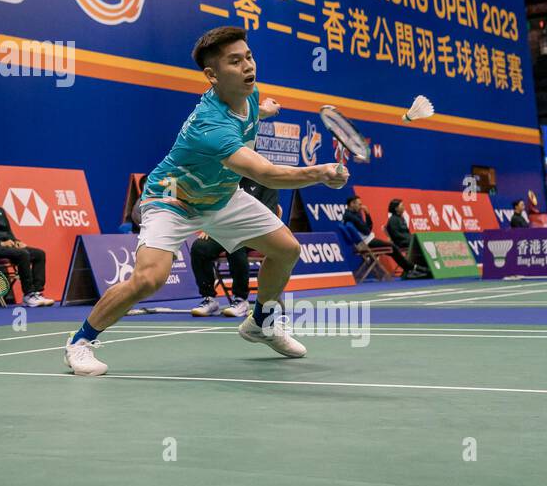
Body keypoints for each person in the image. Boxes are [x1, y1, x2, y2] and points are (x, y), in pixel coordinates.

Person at [62, 27, 350, 376]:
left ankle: (261, 323)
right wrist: (318, 172)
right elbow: (266, 174)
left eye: (249, 57)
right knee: (149, 279)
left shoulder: (250, 94)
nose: (247, 66)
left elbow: (255, 110)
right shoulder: (210, 127)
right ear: (212, 76)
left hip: (221, 195)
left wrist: (268, 109)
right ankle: (80, 342)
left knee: (286, 249)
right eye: (234, 61)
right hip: (172, 197)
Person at [190, 179, 280, 318]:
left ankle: (240, 299)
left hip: (253, 233)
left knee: (235, 246)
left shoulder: (265, 182)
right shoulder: (228, 180)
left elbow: (271, 213)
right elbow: (216, 209)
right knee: (199, 248)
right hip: (225, 231)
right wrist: (209, 226)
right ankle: (209, 299)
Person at [0, 172, 54, 307]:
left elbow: (8, 232)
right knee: (23, 254)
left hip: (7, 248)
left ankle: (37, 292)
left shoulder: (0, 210)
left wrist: (16, 241)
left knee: (39, 253)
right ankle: (28, 295)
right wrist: (0, 243)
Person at [342, 195, 413, 276]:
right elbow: (367, 231)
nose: (361, 207)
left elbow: (369, 227)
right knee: (392, 247)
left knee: (392, 249)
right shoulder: (350, 216)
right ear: (352, 204)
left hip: (366, 241)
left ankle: (408, 268)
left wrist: (367, 214)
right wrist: (366, 222)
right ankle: (410, 268)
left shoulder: (354, 214)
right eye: (359, 204)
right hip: (367, 243)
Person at [385, 198, 428, 279]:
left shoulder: (401, 218)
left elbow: (407, 232)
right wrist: (411, 239)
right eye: (402, 205)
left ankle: (423, 268)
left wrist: (412, 238)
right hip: (401, 242)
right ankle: (419, 269)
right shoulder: (393, 220)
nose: (404, 207)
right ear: (396, 208)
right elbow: (396, 235)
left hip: (407, 240)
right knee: (419, 246)